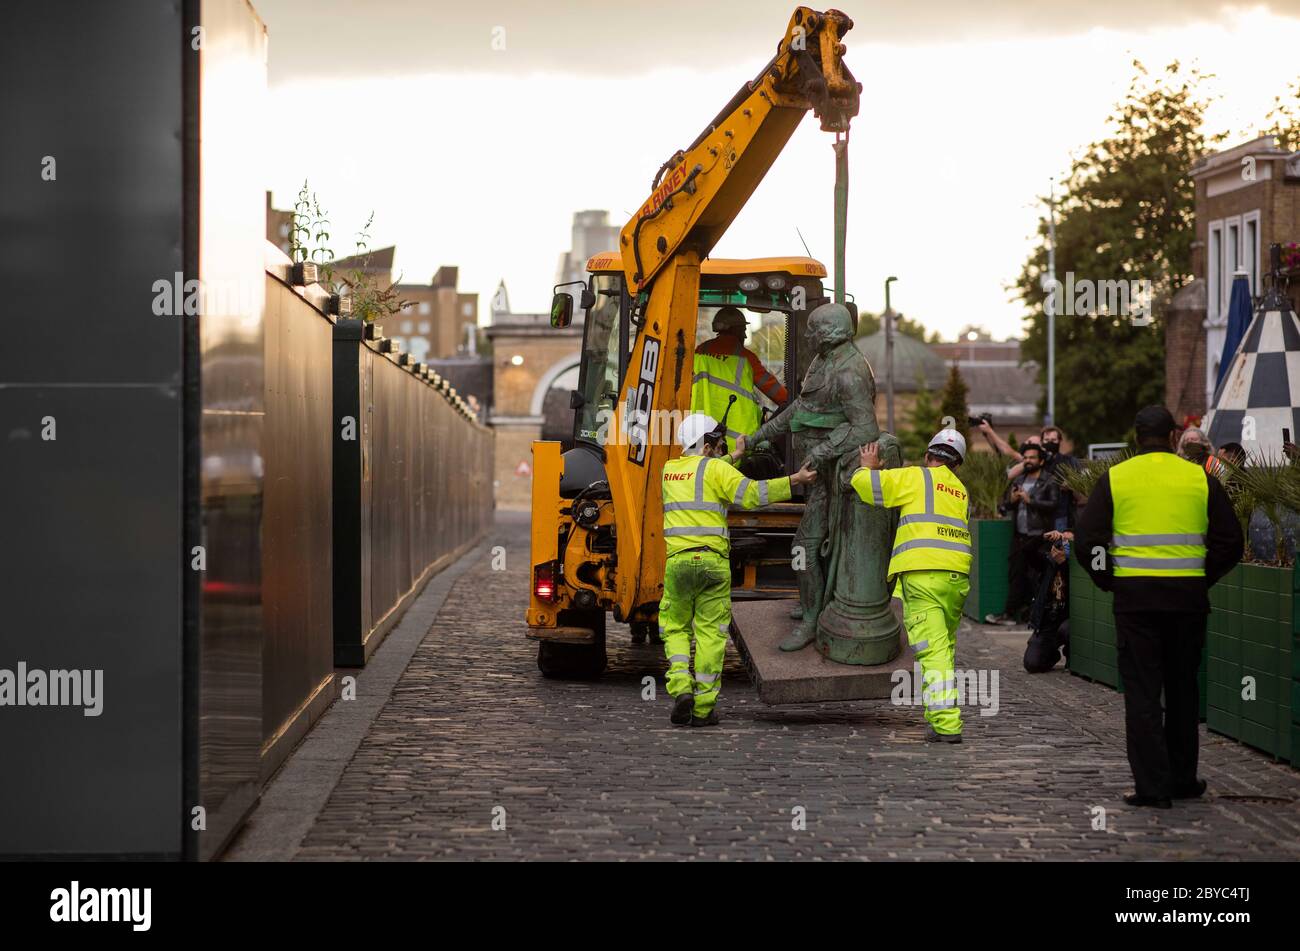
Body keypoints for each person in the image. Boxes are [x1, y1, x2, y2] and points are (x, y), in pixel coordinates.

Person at [1074, 405, 1243, 808]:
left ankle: (1152, 787)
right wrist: (1201, 577)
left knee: (1143, 693)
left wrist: (1109, 579)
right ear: (1172, 438)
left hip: (1136, 604)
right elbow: (1230, 542)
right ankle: (1183, 779)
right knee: (1183, 691)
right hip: (1187, 603)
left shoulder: (1116, 478)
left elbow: (1087, 541)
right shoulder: (1199, 478)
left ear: (1136, 438)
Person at [660, 412, 816, 727]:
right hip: (712, 565)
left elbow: (706, 471)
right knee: (710, 633)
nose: (720, 451)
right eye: (717, 445)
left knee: (676, 627)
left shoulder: (669, 471)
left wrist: (734, 456)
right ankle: (703, 709)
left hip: (677, 563)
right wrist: (795, 480)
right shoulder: (717, 469)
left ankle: (680, 688)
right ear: (706, 447)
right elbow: (752, 495)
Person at [851, 428, 972, 743]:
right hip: (956, 579)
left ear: (928, 456)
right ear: (956, 464)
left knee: (933, 654)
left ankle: (947, 725)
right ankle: (936, 718)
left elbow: (866, 487)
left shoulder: (916, 477)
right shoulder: (960, 489)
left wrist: (868, 466)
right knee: (943, 649)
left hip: (924, 576)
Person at [691, 306, 788, 454]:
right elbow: (778, 394)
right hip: (736, 443)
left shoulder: (700, 351)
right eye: (743, 331)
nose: (745, 336)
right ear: (735, 331)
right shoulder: (746, 358)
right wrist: (794, 400)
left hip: (701, 437)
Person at [986, 443, 1059, 625]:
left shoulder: (1049, 480)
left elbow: (1054, 506)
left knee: (1036, 578)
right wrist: (1011, 501)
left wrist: (1030, 500)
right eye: (1025, 458)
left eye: (1032, 458)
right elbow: (1007, 505)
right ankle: (1010, 615)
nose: (1027, 461)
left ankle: (1036, 615)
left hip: (1039, 537)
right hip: (1020, 535)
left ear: (1041, 461)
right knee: (1016, 575)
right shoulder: (1018, 480)